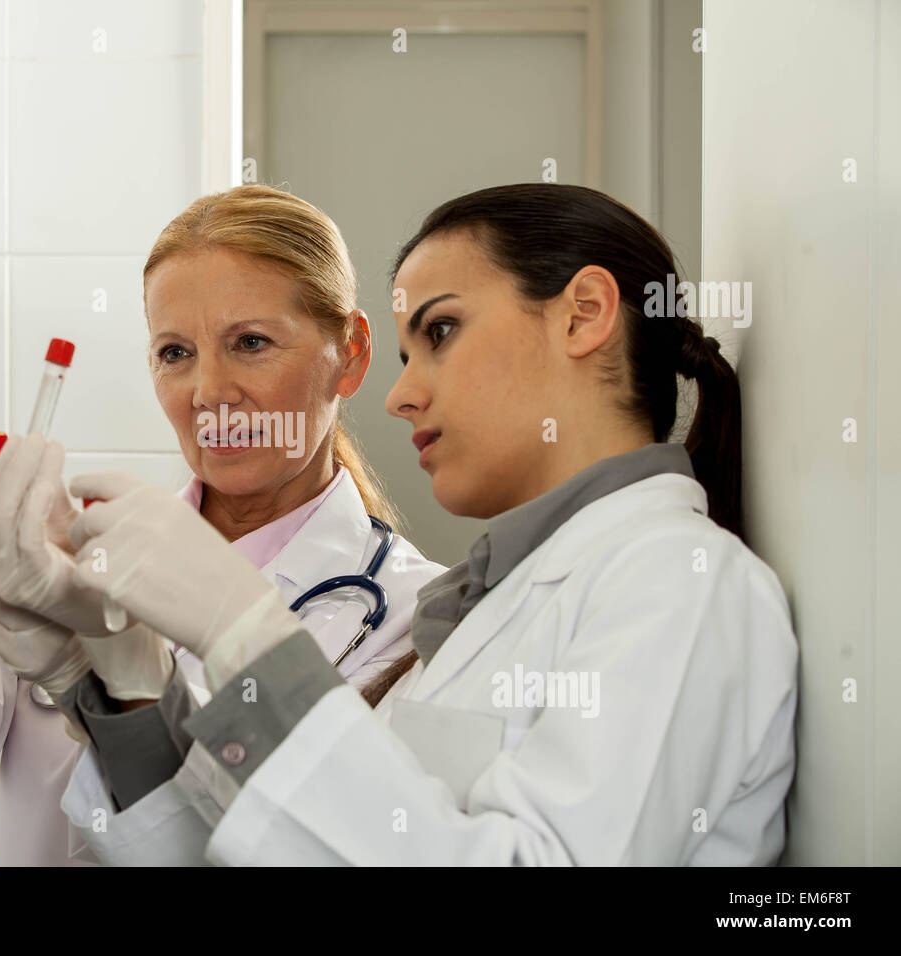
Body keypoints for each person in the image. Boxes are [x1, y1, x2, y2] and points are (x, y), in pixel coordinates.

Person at [48, 183, 798, 865]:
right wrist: (127, 690)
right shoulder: (498, 609)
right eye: (174, 352)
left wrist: (248, 634)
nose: (400, 395)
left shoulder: (680, 585)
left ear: (585, 316)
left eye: (439, 332)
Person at [0, 184, 444, 865]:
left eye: (250, 342)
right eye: (174, 353)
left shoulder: (413, 618)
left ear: (352, 353)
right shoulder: (74, 556)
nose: (209, 393)